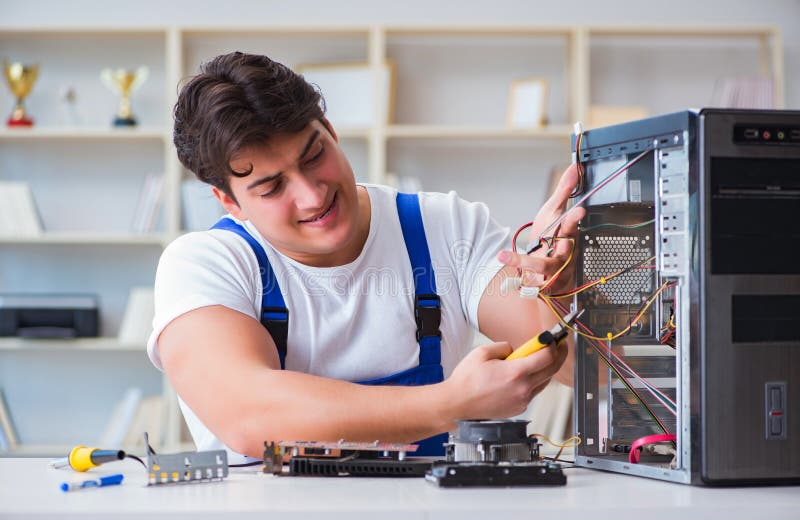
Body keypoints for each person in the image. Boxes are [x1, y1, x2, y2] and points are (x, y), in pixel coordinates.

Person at [147, 51, 584, 461]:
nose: (312, 195)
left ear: (331, 132)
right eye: (272, 187)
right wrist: (451, 404)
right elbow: (249, 415)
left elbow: (570, 367)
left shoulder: (445, 227)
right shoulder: (203, 265)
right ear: (230, 202)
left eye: (314, 155)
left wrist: (562, 293)